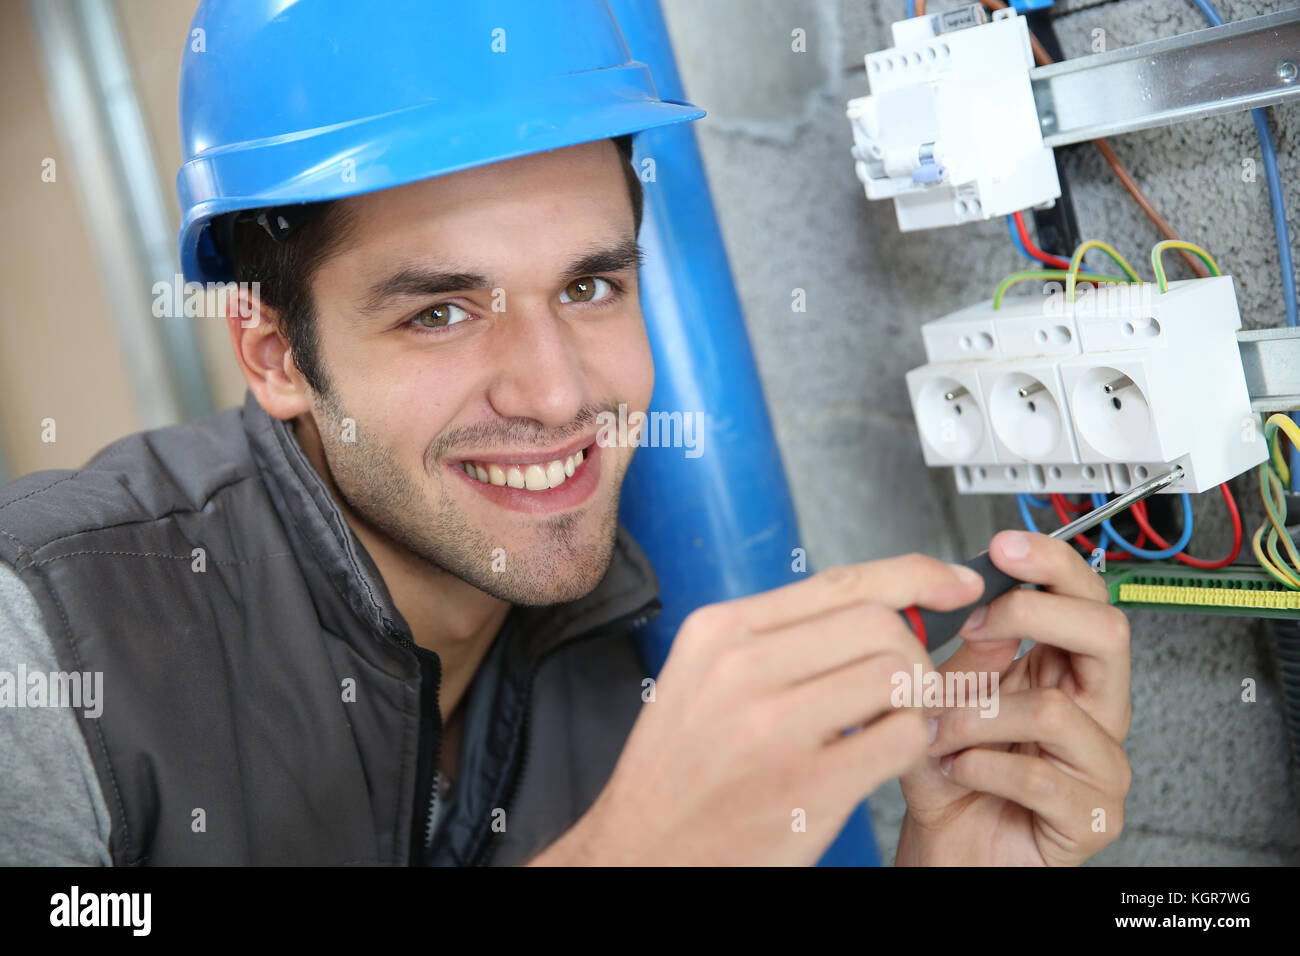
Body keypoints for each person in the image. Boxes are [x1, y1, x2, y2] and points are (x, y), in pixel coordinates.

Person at [0, 0, 1131, 866]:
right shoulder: (50, 639)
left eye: (590, 286)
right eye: (440, 311)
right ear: (273, 353)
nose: (554, 394)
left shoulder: (630, 629)